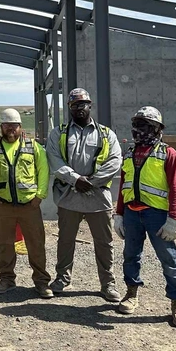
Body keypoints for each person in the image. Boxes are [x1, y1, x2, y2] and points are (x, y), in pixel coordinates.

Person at [114, 106, 176, 328]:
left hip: (157, 216)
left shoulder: (168, 154)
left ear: (156, 129)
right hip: (131, 214)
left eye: (144, 125)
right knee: (130, 256)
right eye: (136, 125)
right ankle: (131, 294)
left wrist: (173, 220)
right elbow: (124, 186)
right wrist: (119, 214)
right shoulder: (129, 153)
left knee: (169, 259)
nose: (138, 130)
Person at [46, 88, 123, 302]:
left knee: (104, 242)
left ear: (90, 105)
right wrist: (75, 179)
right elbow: (53, 158)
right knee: (65, 240)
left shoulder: (106, 134)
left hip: (97, 198)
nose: (79, 108)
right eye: (74, 105)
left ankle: (108, 284)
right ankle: (62, 279)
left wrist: (91, 182)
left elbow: (115, 160)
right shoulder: (59, 133)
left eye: (83, 104)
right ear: (69, 108)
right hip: (69, 196)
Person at [0, 108, 52, 297]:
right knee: (5, 245)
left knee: (36, 244)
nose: (10, 129)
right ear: (1, 127)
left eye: (14, 125)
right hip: (2, 206)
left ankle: (41, 282)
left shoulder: (33, 147)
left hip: (29, 206)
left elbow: (43, 170)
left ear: (20, 127)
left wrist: (40, 196)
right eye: (7, 125)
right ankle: (7, 280)